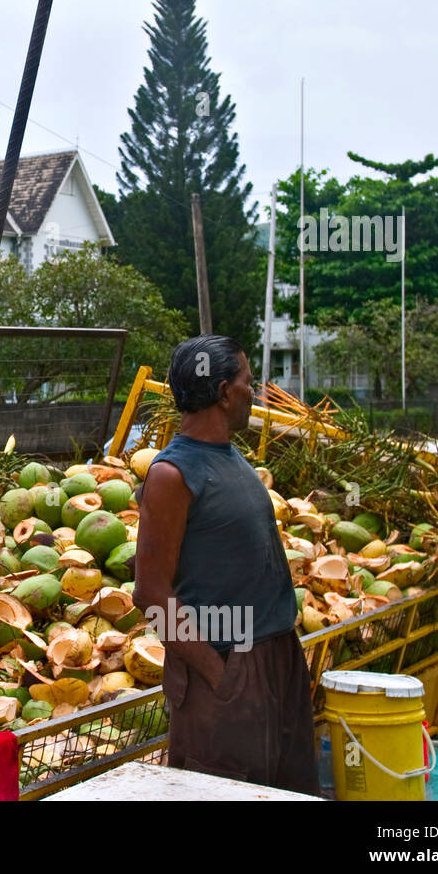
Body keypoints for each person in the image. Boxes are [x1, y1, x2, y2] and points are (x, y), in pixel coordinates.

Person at [133, 334, 320, 796]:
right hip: (227, 666)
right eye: (247, 382)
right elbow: (151, 594)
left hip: (274, 656)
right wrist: (219, 676)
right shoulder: (171, 474)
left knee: (286, 790)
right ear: (221, 392)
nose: (252, 393)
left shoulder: (233, 456)